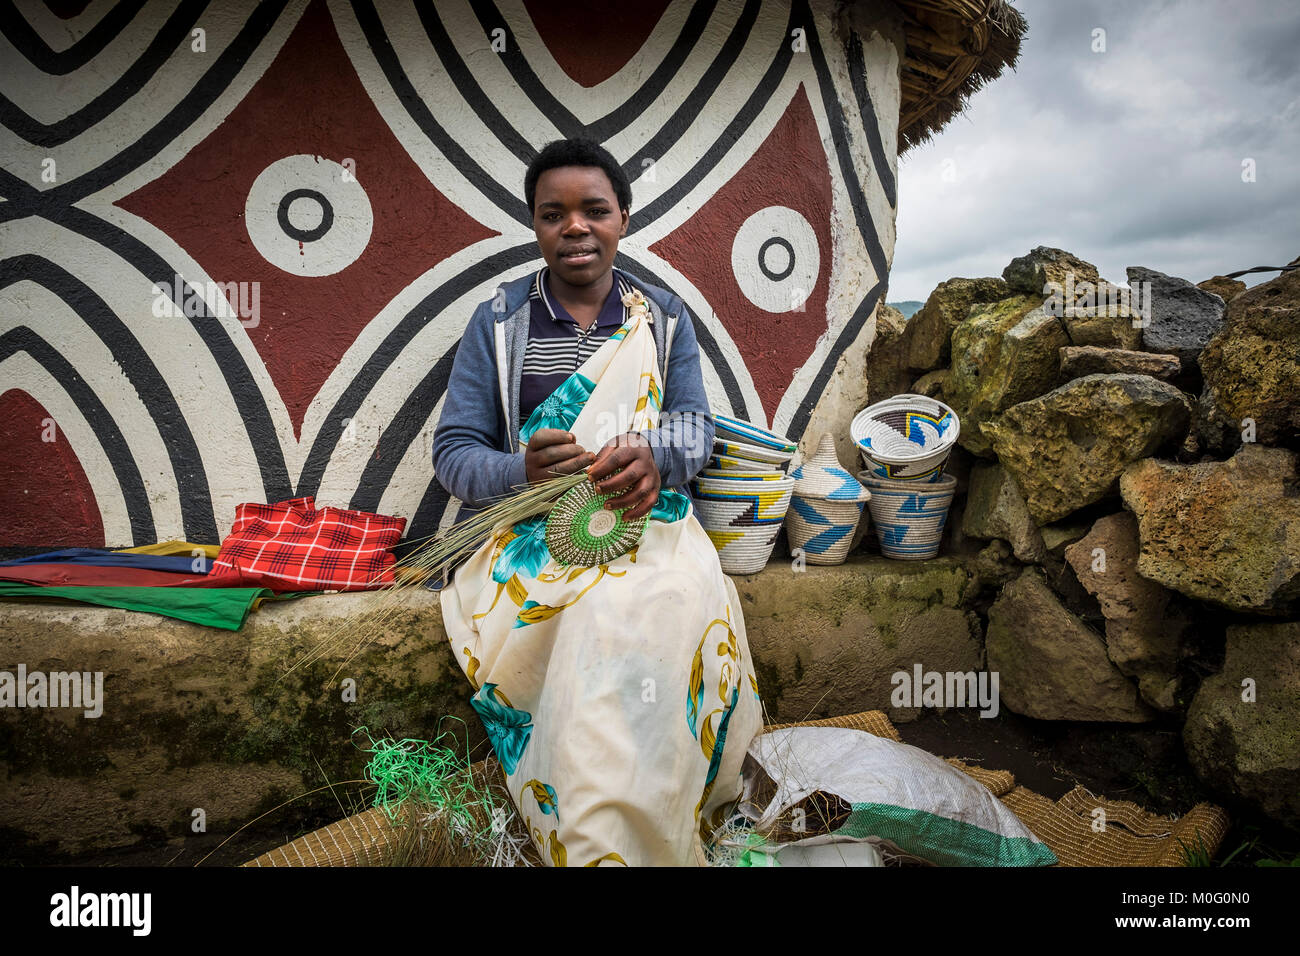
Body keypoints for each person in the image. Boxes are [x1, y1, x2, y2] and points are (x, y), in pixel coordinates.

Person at [431, 137, 763, 866]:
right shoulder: (498, 323)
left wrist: (658, 457)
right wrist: (519, 468)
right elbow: (454, 454)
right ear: (536, 226)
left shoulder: (664, 318)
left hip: (651, 526)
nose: (574, 227)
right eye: (554, 214)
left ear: (623, 219)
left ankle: (675, 811)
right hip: (534, 535)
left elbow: (693, 426)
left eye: (594, 211)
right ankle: (596, 832)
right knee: (591, 616)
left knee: (677, 597)